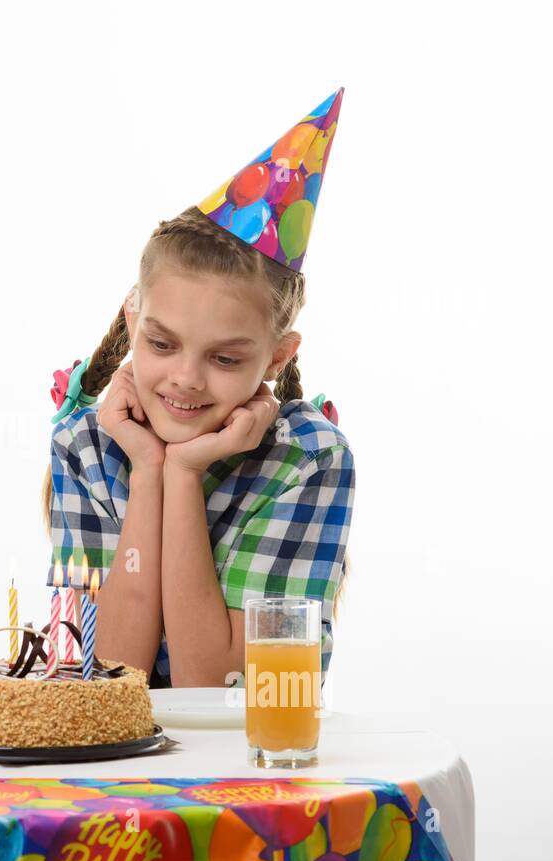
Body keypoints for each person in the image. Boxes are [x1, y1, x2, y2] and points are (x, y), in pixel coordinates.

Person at [44, 89, 353, 690]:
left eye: (224, 357)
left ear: (276, 358)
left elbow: (217, 689)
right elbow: (105, 681)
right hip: (116, 772)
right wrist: (147, 470)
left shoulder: (309, 459)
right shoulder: (84, 446)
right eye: (161, 345)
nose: (185, 377)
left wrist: (182, 475)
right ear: (133, 319)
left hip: (246, 769)